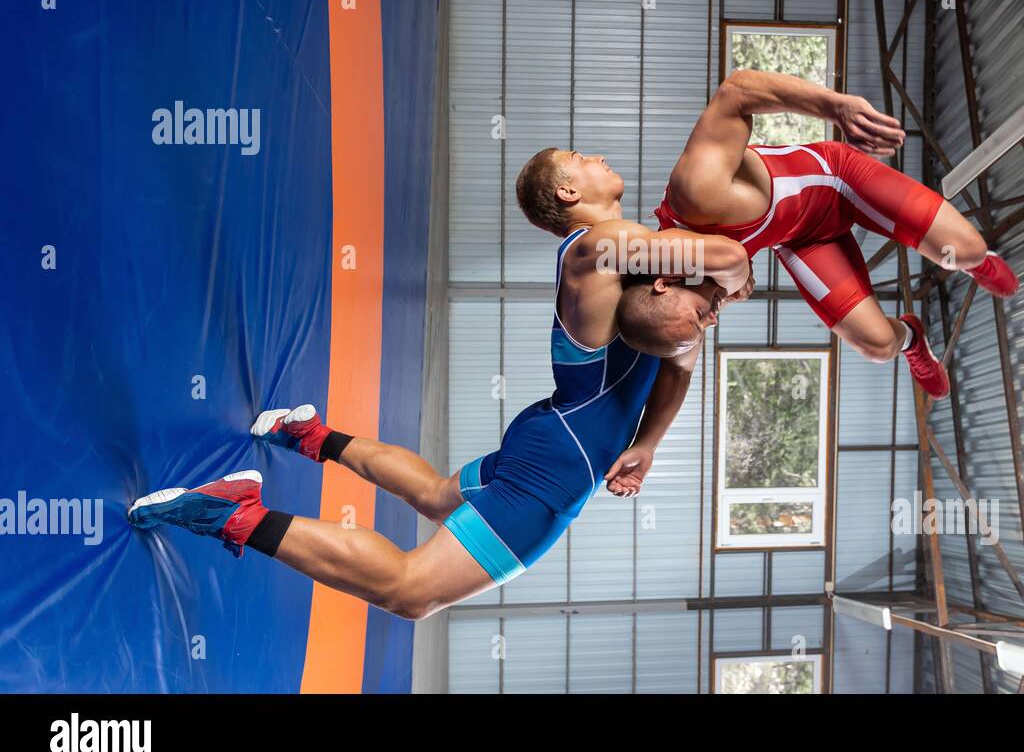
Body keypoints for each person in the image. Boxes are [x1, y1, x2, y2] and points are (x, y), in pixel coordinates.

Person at [128, 155, 752, 620]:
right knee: (409, 590)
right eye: (579, 159)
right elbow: (726, 259)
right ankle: (229, 513)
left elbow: (680, 356)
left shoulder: (641, 265)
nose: (594, 159)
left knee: (433, 496)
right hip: (558, 468)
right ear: (568, 192)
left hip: (553, 442)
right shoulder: (593, 250)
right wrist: (732, 270)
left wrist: (650, 442)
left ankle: (307, 436)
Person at [618, 69, 1020, 398]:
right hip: (803, 239)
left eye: (701, 316)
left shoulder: (697, 194)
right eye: (705, 324)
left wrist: (835, 106)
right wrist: (647, 447)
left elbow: (736, 90)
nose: (713, 320)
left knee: (964, 250)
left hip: (839, 179)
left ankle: (978, 262)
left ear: (663, 282)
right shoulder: (690, 292)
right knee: (877, 346)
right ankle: (913, 337)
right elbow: (679, 373)